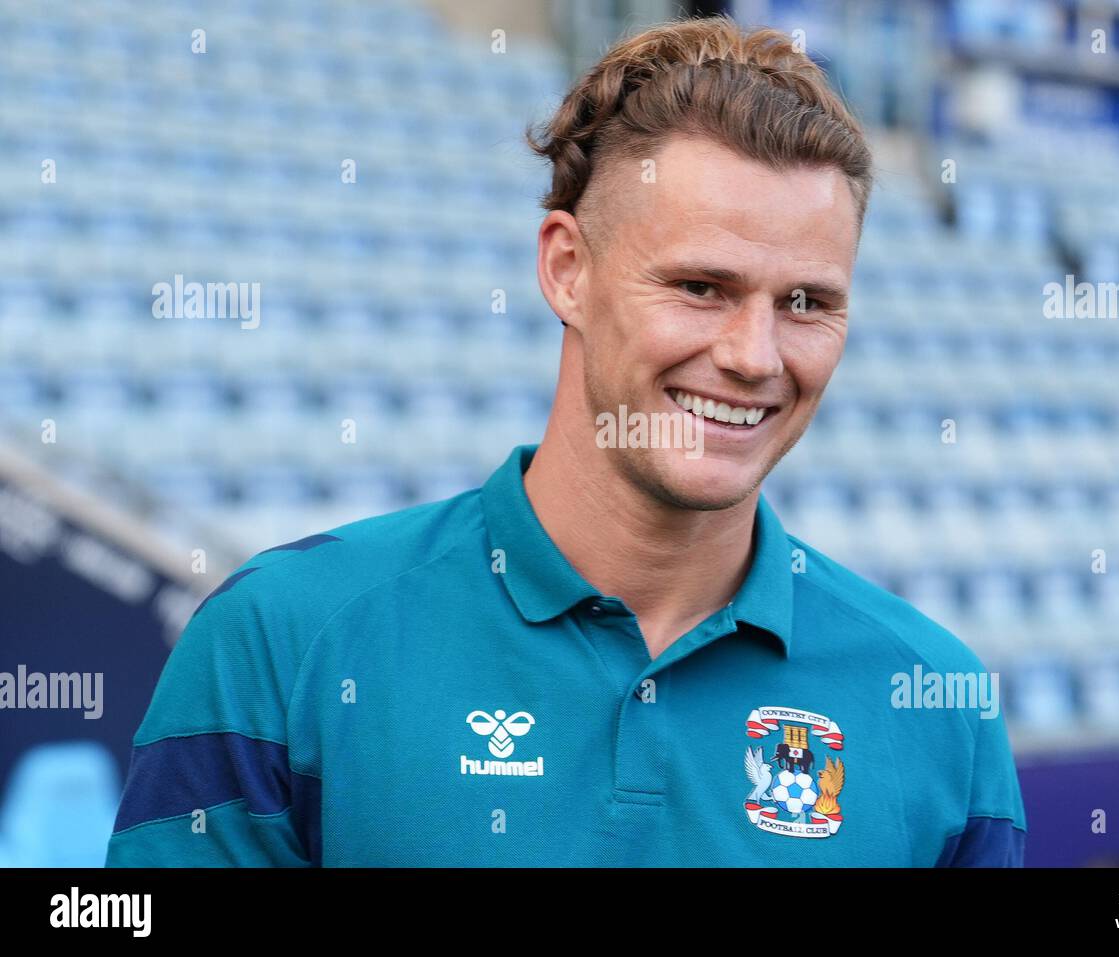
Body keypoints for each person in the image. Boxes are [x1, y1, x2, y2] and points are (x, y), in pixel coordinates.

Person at [106, 16, 1026, 867]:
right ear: (566, 270)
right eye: (701, 286)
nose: (754, 356)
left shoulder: (938, 702)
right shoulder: (283, 641)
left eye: (807, 303)